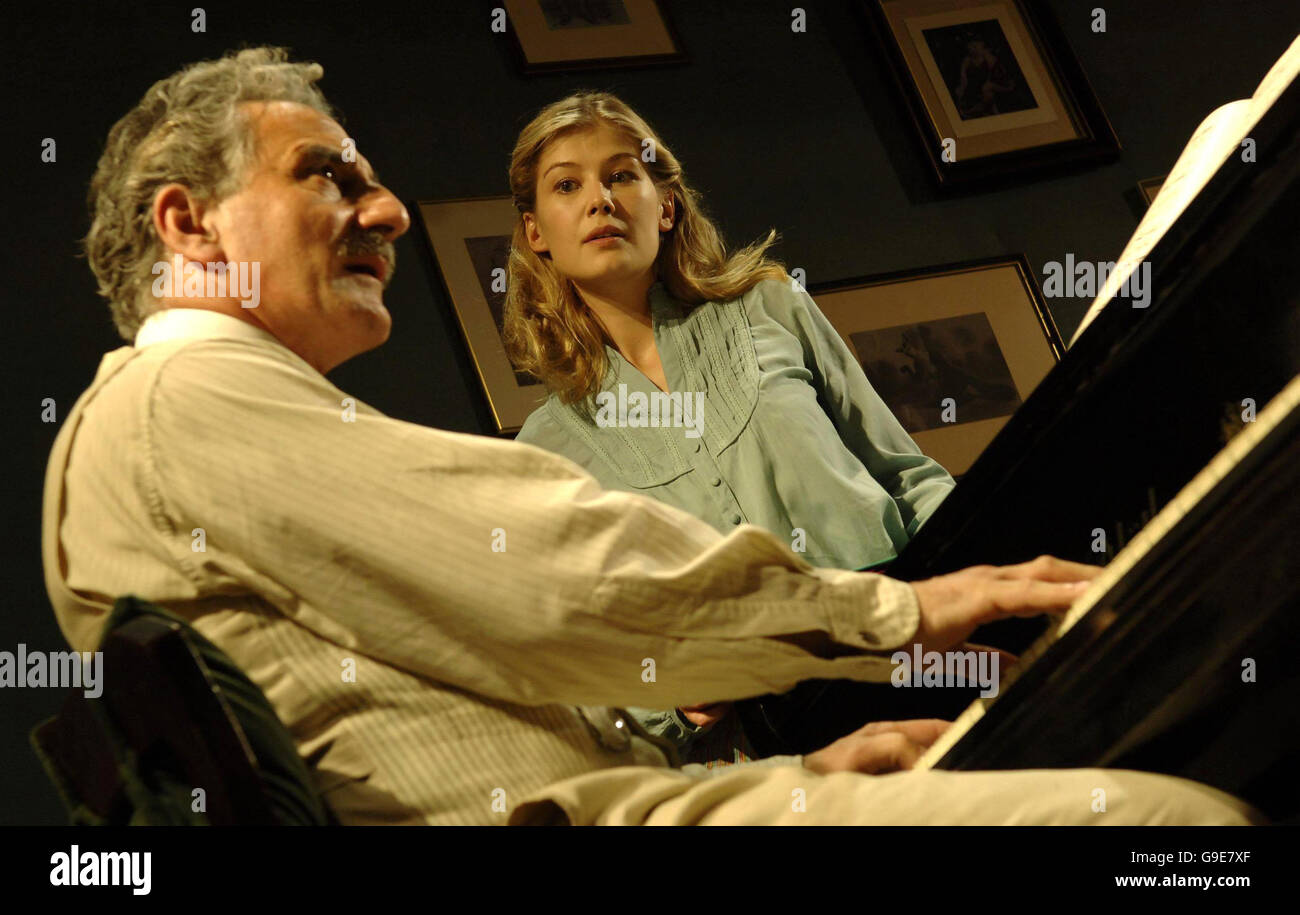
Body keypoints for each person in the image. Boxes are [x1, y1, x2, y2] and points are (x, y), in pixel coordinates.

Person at [42, 46, 1259, 826]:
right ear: (188, 227)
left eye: (626, 175)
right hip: (792, 690)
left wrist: (759, 786)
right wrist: (897, 617)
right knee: (1165, 828)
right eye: (326, 176)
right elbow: (564, 588)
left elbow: (499, 719)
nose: (389, 210)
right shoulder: (182, 405)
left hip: (699, 769)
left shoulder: (202, 420)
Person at [503, 92, 957, 765]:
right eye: (567, 184)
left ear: (667, 203)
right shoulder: (543, 447)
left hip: (923, 635)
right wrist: (679, 701)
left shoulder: (771, 305)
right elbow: (587, 658)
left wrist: (991, 592)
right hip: (784, 730)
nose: (600, 198)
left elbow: (910, 478)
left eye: (623, 174)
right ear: (536, 230)